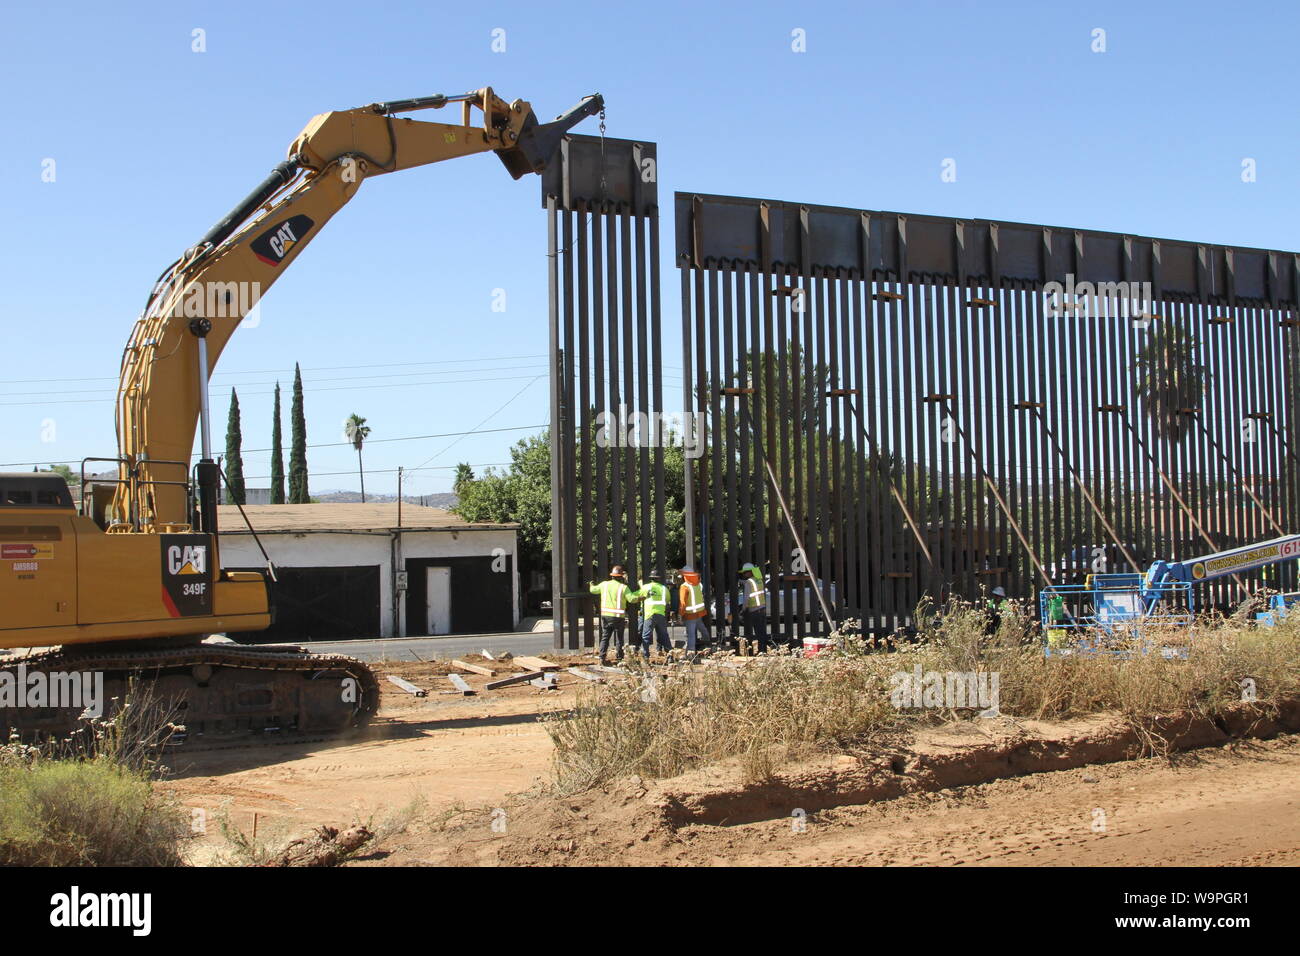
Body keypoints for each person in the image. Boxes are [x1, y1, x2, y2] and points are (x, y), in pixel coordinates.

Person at [589, 566, 630, 662]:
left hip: (606, 616)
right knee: (620, 638)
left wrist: (591, 584)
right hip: (618, 617)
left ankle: (602, 657)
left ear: (612, 576)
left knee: (605, 637)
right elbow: (631, 599)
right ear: (621, 577)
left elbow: (593, 590)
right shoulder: (624, 587)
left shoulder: (604, 585)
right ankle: (620, 658)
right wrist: (641, 596)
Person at [632, 570, 672, 659]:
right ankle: (670, 657)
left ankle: (646, 656)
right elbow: (667, 600)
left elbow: (634, 596)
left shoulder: (646, 587)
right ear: (659, 579)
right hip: (661, 614)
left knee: (645, 636)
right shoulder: (664, 589)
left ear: (651, 579)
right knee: (664, 635)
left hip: (649, 614)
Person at [678, 566, 710, 657]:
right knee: (702, 628)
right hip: (699, 613)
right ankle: (707, 644)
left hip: (690, 615)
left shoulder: (684, 586)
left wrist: (680, 615)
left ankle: (690, 654)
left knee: (691, 634)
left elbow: (683, 603)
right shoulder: (699, 584)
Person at [739, 562, 769, 652]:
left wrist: (743, 609)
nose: (744, 574)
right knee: (762, 631)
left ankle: (761, 652)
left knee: (758, 632)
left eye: (745, 572)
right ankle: (764, 650)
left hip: (755, 610)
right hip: (762, 608)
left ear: (750, 572)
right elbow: (751, 584)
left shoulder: (749, 582)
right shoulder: (759, 580)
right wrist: (741, 582)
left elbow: (746, 597)